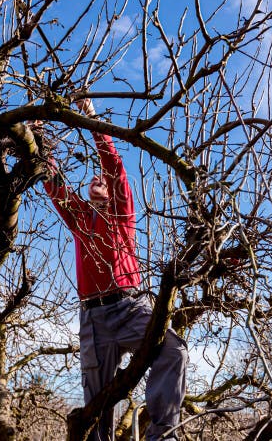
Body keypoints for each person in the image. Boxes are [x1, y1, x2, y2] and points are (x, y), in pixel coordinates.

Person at [42, 98, 187, 441]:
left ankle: (162, 435)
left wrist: (91, 119)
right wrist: (37, 142)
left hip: (129, 306)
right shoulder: (79, 219)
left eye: (102, 180)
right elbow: (55, 185)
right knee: (97, 406)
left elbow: (115, 169)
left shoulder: (121, 214)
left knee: (174, 350)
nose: (96, 179)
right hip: (93, 318)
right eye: (91, 180)